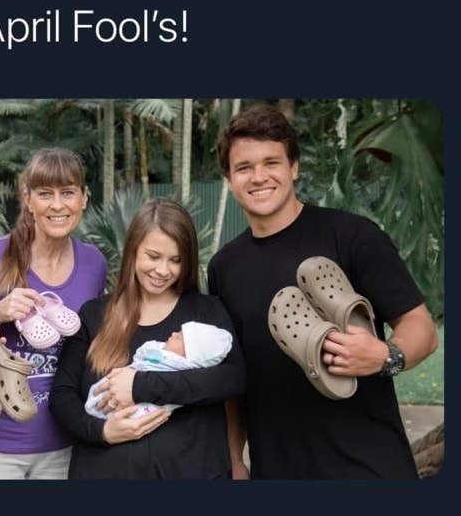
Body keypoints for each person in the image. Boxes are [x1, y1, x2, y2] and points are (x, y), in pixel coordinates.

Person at [207, 103, 439, 480]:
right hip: (278, 471)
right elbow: (235, 379)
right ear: (230, 180)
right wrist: (234, 459)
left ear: (294, 168)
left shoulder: (352, 236)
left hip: (370, 468)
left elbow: (422, 330)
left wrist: (385, 356)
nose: (259, 176)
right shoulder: (224, 268)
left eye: (272, 162)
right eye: (244, 168)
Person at [49, 198, 245, 480]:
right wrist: (102, 431)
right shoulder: (94, 314)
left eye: (176, 260)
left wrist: (140, 386)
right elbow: (62, 396)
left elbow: (232, 379)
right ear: (132, 251)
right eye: (153, 256)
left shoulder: (206, 312)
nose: (163, 270)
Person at [0, 148, 107, 480]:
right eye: (45, 193)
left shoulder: (94, 263)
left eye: (67, 192)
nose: (57, 205)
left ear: (83, 198)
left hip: (63, 445)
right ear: (28, 199)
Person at [84, 321, 233, 419]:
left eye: (180, 337)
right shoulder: (162, 353)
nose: (173, 334)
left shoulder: (179, 368)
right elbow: (144, 354)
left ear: (190, 354)